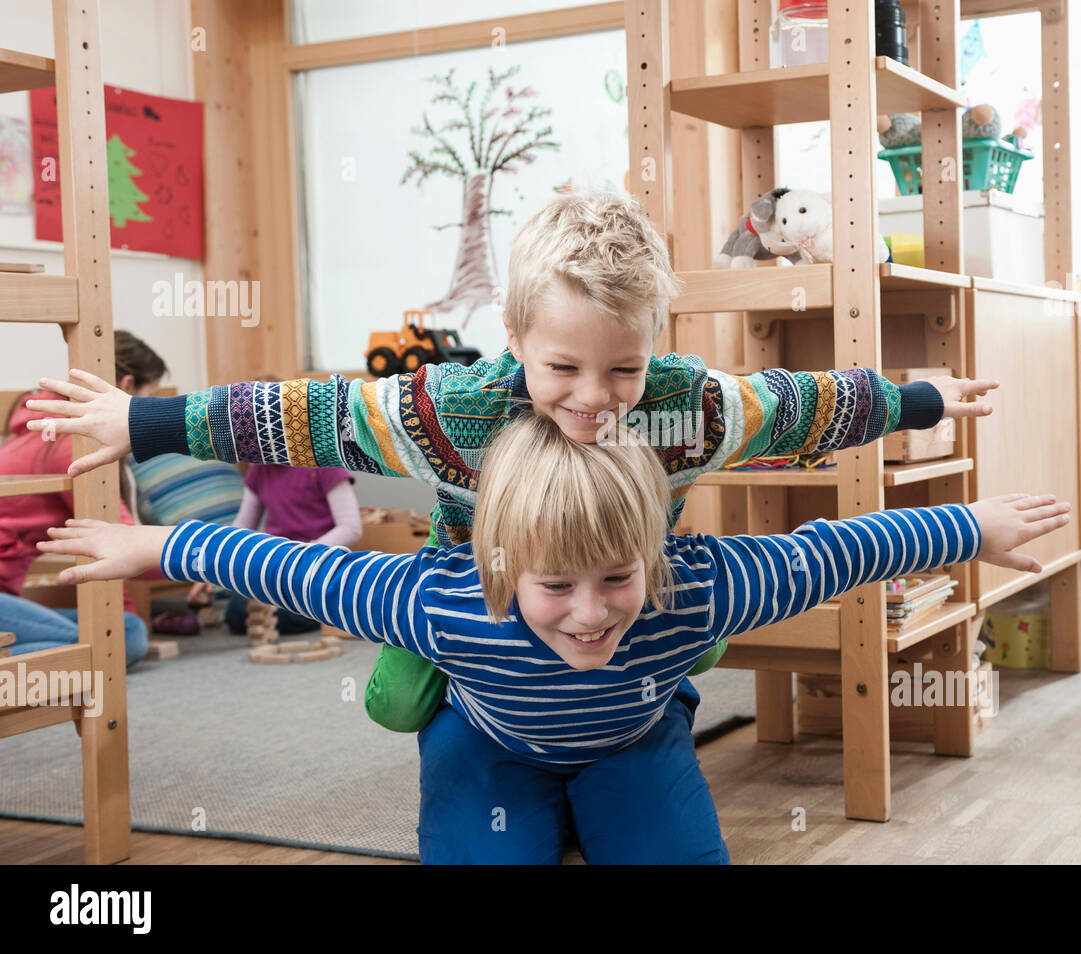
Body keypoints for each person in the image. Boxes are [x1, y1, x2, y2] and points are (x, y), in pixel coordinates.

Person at [26, 191, 1002, 735]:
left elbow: (806, 404)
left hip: (626, 582)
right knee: (402, 703)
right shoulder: (451, 409)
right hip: (479, 591)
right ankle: (455, 684)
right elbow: (308, 414)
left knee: (693, 638)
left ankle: (645, 684)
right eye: (563, 368)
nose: (592, 397)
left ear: (653, 348)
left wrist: (916, 400)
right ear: (514, 339)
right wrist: (147, 423)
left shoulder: (688, 405)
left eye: (621, 368)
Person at [42, 413, 1070, 864]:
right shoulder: (444, 602)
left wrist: (975, 528)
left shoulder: (692, 590)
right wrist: (148, 546)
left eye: (617, 579)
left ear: (655, 561)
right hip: (489, 740)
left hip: (632, 736)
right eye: (555, 587)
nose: (589, 612)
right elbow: (295, 565)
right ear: (500, 573)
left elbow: (835, 550)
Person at [0, 331, 167, 668]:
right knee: (125, 637)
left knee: (118, 629)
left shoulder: (43, 432)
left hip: (6, 598)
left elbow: (104, 543)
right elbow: (124, 544)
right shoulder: (72, 444)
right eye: (149, 401)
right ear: (128, 386)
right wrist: (215, 563)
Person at [190, 375, 363, 635]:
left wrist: (300, 556)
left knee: (296, 612)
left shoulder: (323, 462)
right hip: (276, 567)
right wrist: (209, 571)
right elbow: (241, 529)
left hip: (316, 564)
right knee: (238, 614)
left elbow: (351, 528)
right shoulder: (259, 470)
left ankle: (328, 610)